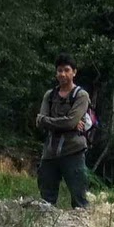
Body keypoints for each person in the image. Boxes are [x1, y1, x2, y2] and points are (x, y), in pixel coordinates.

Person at [35, 54, 91, 209]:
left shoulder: (81, 95)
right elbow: (40, 122)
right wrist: (68, 123)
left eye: (67, 70)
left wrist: (51, 121)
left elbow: (69, 121)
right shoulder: (50, 95)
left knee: (79, 199)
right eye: (60, 70)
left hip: (73, 151)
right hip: (50, 152)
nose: (63, 74)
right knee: (46, 200)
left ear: (74, 72)